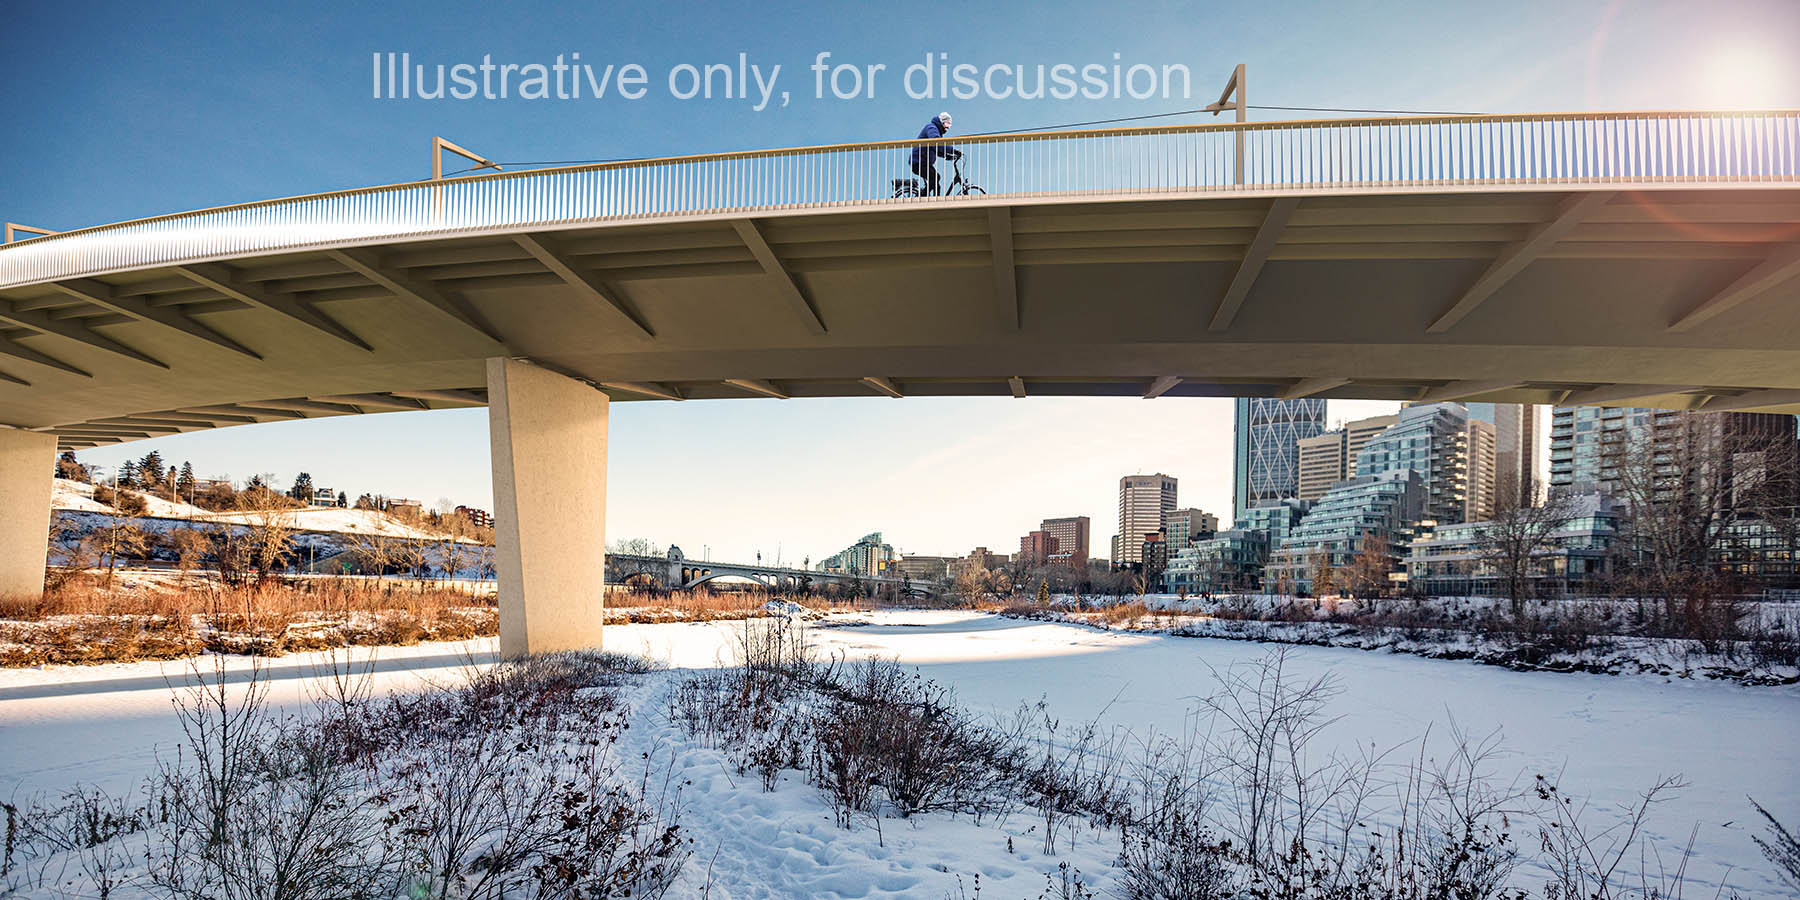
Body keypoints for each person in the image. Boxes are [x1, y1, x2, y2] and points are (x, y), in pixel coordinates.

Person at [909, 111, 959, 196]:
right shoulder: (931, 128)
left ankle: (931, 198)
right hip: (919, 162)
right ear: (942, 122)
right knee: (936, 177)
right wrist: (952, 150)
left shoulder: (936, 131)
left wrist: (947, 156)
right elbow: (937, 143)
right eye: (947, 125)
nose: (947, 128)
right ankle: (922, 197)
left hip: (923, 162)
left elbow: (936, 149)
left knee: (936, 182)